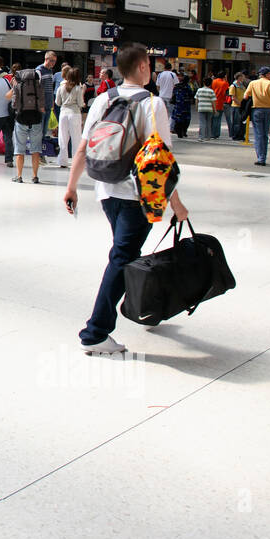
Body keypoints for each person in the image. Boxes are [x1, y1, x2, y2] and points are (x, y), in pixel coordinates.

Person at [64, 41, 189, 355]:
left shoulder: (103, 99)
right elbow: (161, 160)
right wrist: (175, 203)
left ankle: (144, 304)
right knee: (121, 258)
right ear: (144, 66)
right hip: (139, 196)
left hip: (106, 190)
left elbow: (82, 147)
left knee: (124, 253)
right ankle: (95, 332)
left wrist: (72, 187)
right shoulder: (153, 104)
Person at [11, 65, 46, 183]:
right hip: (36, 118)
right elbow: (42, 104)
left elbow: (14, 104)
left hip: (21, 118)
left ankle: (19, 176)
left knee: (20, 149)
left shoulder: (18, 86)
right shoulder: (39, 86)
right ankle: (35, 176)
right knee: (35, 150)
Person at [245, 66, 270, 165]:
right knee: (265, 134)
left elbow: (245, 96)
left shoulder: (252, 83)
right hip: (269, 110)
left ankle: (260, 158)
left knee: (258, 134)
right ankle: (263, 157)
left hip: (257, 110)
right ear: (266, 75)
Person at [54, 66, 85, 167]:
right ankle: (76, 162)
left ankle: (63, 161)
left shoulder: (61, 87)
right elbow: (80, 103)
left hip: (63, 113)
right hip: (75, 113)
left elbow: (57, 103)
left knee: (63, 138)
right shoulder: (78, 88)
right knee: (76, 138)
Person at [35, 51, 58, 154]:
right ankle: (37, 152)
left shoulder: (50, 71)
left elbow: (50, 88)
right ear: (46, 59)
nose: (53, 63)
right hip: (41, 106)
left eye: (54, 61)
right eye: (52, 61)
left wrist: (52, 101)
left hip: (48, 104)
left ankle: (40, 152)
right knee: (39, 129)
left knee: (44, 130)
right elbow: (37, 89)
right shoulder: (39, 70)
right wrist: (40, 104)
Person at [170, 70, 193, 139]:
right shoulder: (188, 87)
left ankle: (179, 132)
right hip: (186, 106)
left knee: (178, 119)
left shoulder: (177, 86)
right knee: (186, 120)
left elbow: (173, 95)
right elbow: (191, 95)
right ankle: (184, 131)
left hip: (178, 105)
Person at [228, 72, 248, 141]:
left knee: (242, 122)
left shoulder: (242, 86)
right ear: (239, 77)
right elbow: (233, 97)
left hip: (242, 106)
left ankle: (241, 135)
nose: (243, 78)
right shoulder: (233, 86)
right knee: (236, 122)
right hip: (236, 106)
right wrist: (240, 103)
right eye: (242, 77)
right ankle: (235, 135)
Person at [195, 75, 216, 141]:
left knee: (202, 122)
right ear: (210, 83)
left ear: (203, 83)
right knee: (208, 123)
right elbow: (213, 101)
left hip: (201, 108)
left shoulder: (199, 90)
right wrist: (214, 109)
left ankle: (201, 136)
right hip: (209, 109)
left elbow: (196, 99)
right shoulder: (211, 91)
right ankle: (208, 136)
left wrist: (196, 107)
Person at [210, 71, 229, 139]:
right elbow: (227, 91)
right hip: (220, 102)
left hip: (212, 101)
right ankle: (216, 133)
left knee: (212, 118)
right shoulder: (224, 83)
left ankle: (211, 133)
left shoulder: (214, 81)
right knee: (217, 119)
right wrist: (226, 80)